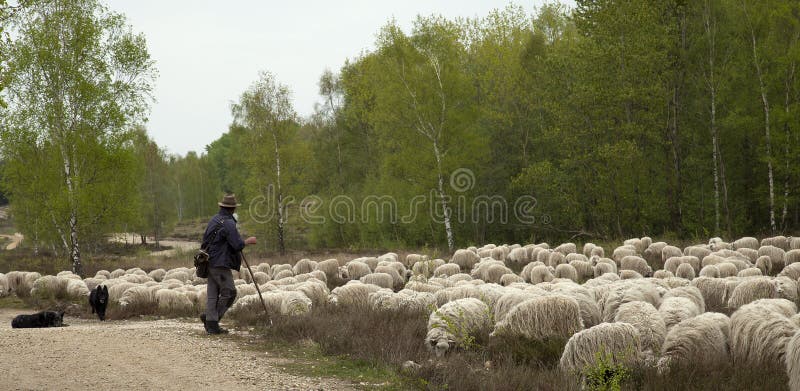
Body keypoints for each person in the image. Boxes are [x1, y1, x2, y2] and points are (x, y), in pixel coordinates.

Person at [200, 194, 256, 335]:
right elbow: (237, 244)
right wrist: (248, 241)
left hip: (208, 261)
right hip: (220, 263)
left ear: (222, 207)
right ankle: (211, 320)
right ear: (232, 209)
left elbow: (205, 240)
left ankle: (212, 324)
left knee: (213, 295)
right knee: (230, 292)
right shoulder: (229, 223)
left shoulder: (214, 219)